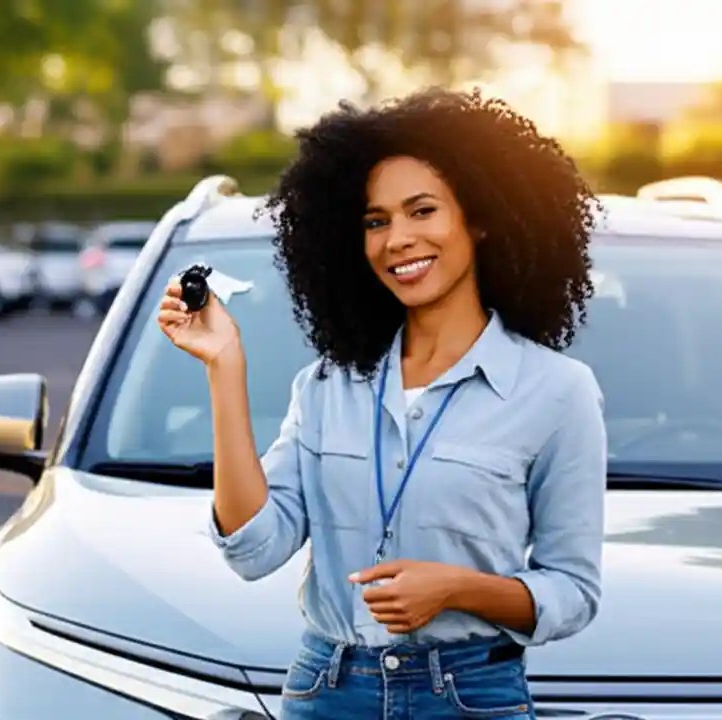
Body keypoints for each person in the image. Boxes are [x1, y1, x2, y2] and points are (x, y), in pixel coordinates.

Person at [157, 86, 607, 720]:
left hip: (470, 697)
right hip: (326, 689)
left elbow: (573, 591)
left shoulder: (556, 391)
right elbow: (254, 549)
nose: (398, 239)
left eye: (422, 211)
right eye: (376, 221)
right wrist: (224, 367)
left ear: (477, 216)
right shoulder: (328, 385)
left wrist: (457, 589)